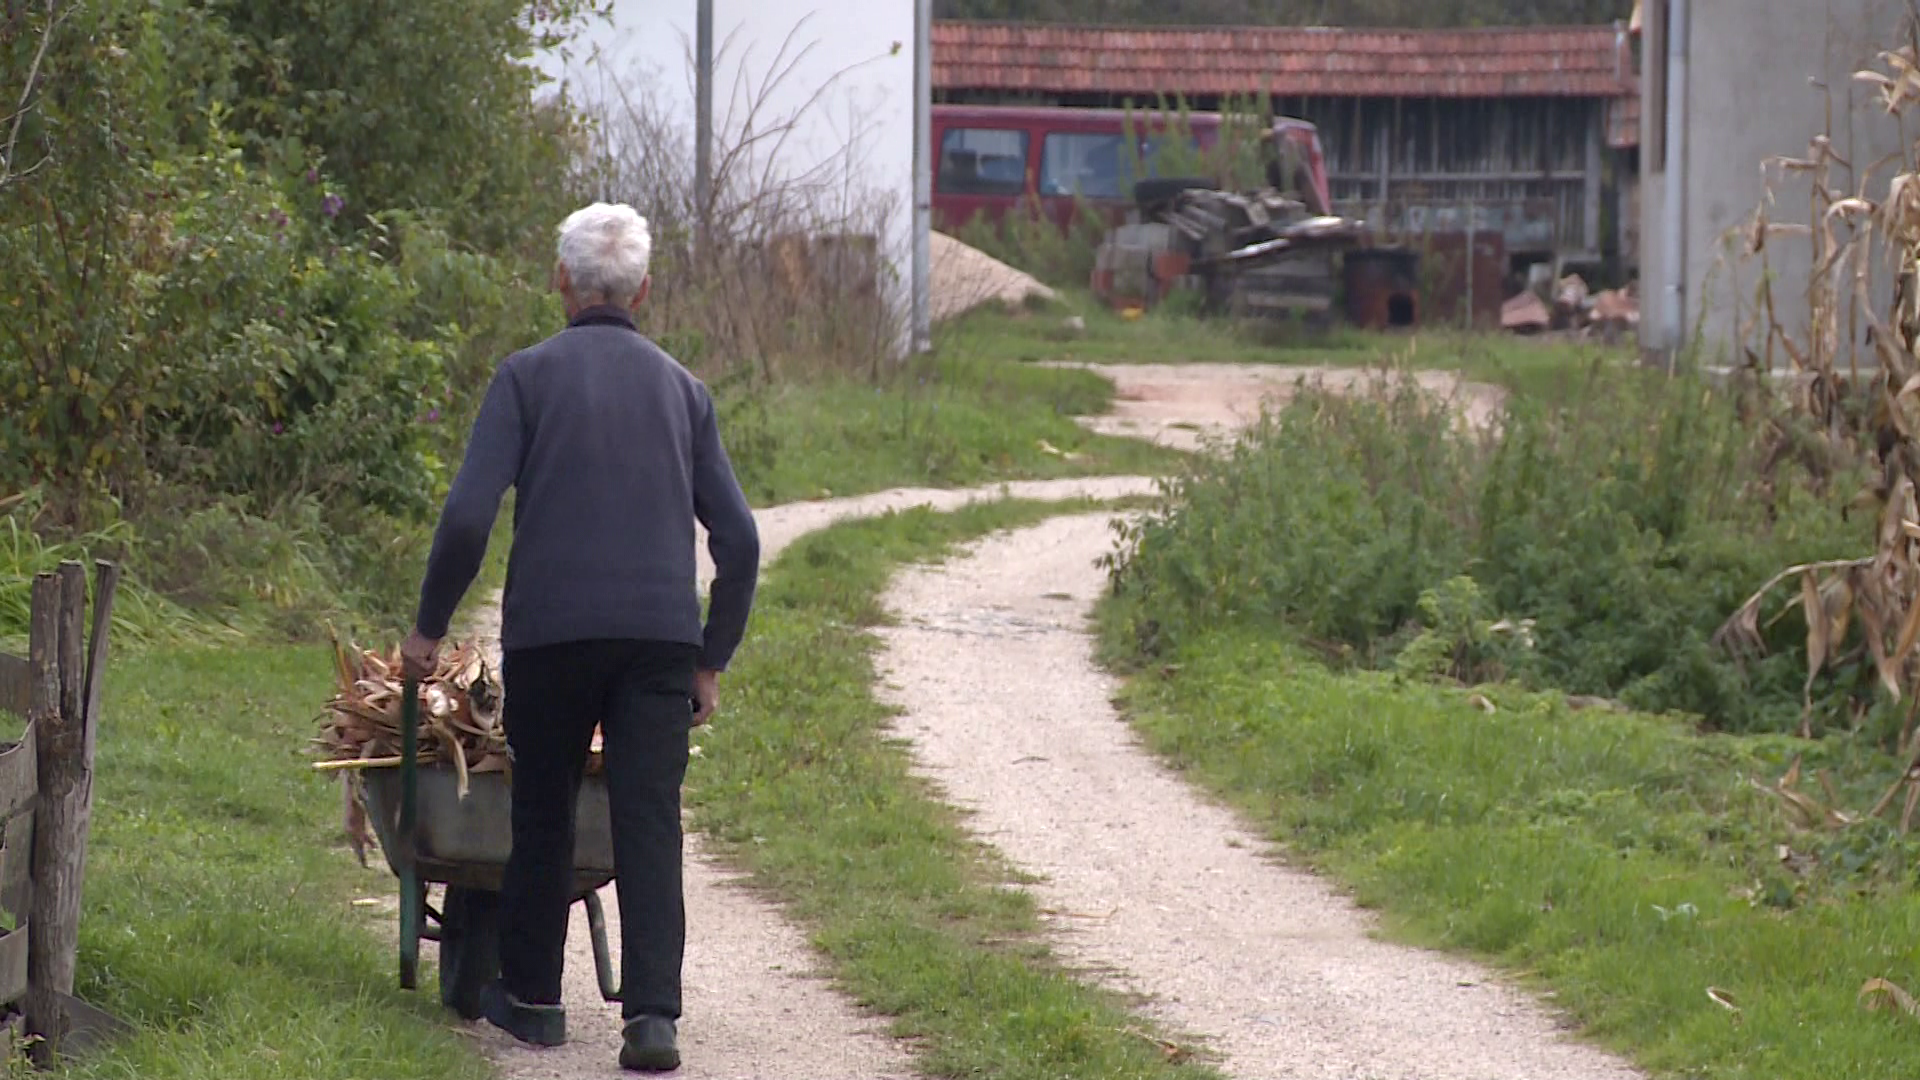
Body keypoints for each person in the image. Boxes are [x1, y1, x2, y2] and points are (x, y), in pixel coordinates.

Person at [401, 201, 761, 1073]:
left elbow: (467, 517)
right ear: (646, 290)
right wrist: (710, 659)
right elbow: (741, 540)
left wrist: (428, 627)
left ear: (560, 280)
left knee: (542, 808)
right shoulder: (684, 391)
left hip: (551, 635)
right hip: (659, 642)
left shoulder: (525, 377)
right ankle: (652, 1020)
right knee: (649, 819)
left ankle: (533, 1001)